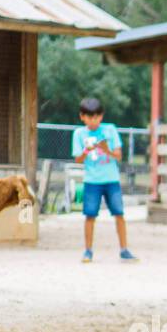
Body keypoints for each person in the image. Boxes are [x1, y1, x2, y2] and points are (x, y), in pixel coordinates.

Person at [72, 97, 137, 263]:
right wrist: (87, 151)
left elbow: (118, 156)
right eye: (89, 117)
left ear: (101, 116)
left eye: (97, 117)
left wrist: (106, 149)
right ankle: (88, 251)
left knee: (119, 214)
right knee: (90, 215)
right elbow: (78, 160)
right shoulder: (79, 134)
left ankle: (124, 249)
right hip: (91, 181)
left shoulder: (110, 130)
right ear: (82, 117)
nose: (93, 121)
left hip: (111, 180)